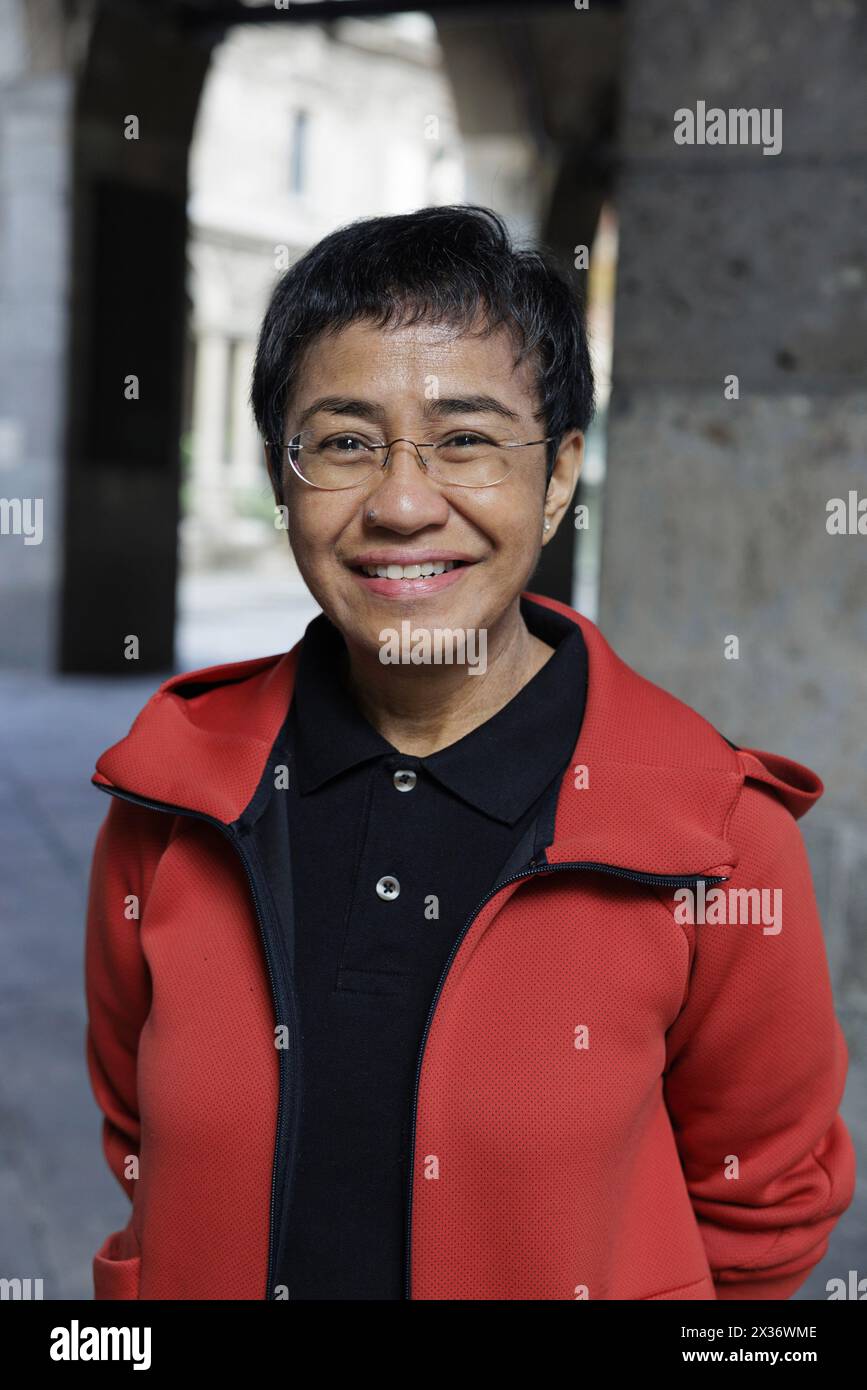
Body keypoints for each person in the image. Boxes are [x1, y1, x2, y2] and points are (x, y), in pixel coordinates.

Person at [84, 205, 855, 1301]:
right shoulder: (171, 801)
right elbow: (141, 1135)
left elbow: (763, 1212)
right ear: (281, 475)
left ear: (556, 479)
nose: (402, 502)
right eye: (345, 441)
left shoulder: (719, 841)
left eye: (467, 439)